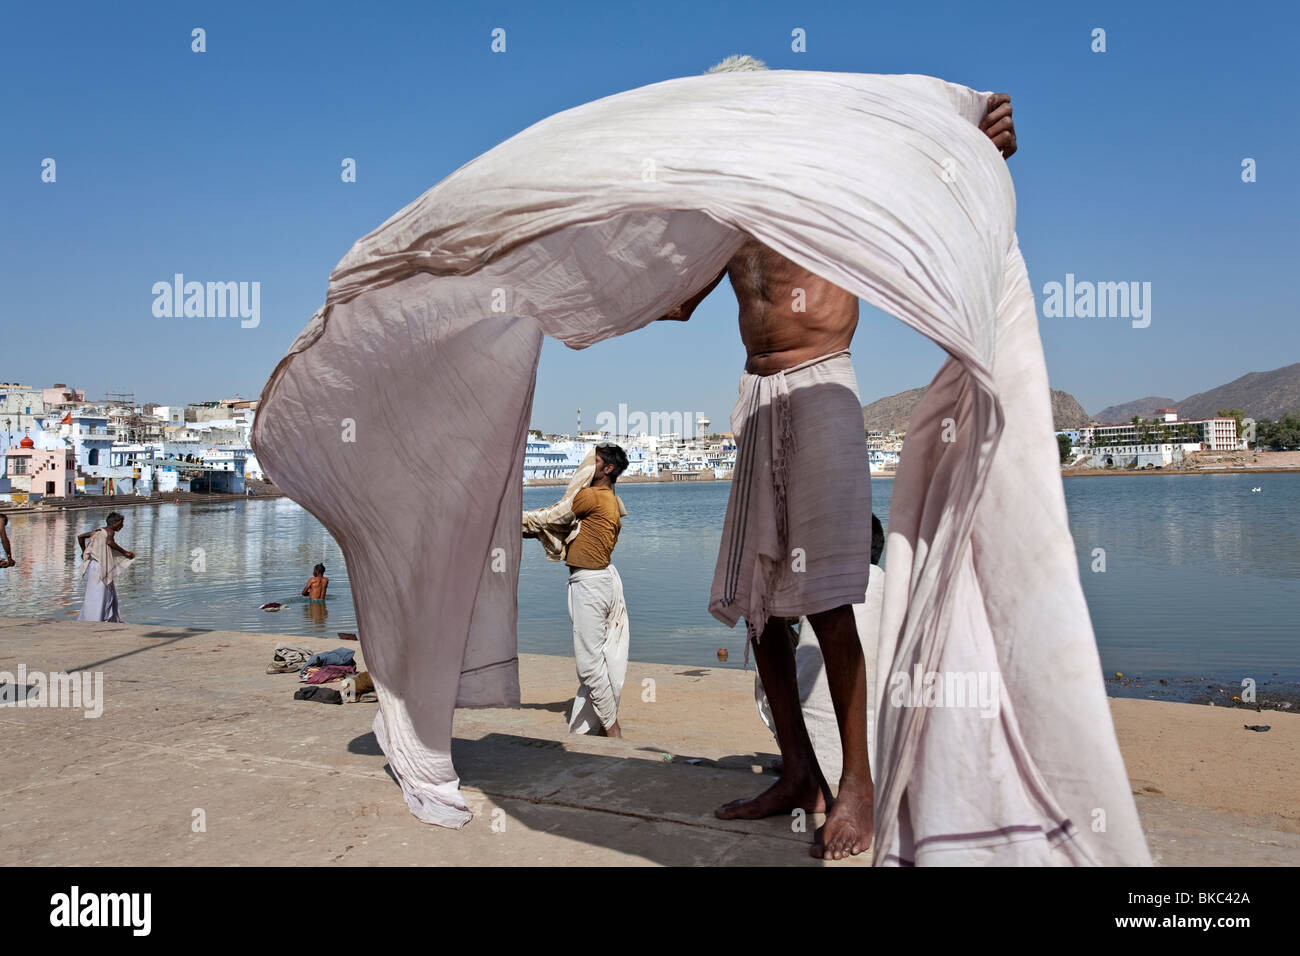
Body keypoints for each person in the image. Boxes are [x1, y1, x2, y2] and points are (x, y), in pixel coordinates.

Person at [658, 54, 1016, 859]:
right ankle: (798, 774)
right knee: (761, 611)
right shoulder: (721, 210)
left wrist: (982, 143)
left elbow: (922, 179)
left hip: (823, 390)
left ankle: (857, 786)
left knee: (826, 599)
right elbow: (676, 304)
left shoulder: (825, 178)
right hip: (756, 399)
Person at [522, 444, 631, 738]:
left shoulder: (590, 496)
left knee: (589, 664)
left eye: (593, 461)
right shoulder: (611, 500)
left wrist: (511, 517)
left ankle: (613, 730)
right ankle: (595, 727)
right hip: (605, 580)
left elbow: (551, 518)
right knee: (603, 658)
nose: (586, 466)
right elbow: (559, 526)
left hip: (590, 584)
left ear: (607, 469)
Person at [77, 511, 135, 622]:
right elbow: (110, 543)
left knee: (94, 591)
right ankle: (100, 617)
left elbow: (80, 537)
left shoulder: (98, 531)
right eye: (121, 523)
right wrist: (125, 552)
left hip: (93, 565)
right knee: (102, 591)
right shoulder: (109, 532)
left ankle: (91, 616)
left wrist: (84, 551)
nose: (122, 526)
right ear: (114, 523)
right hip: (101, 566)